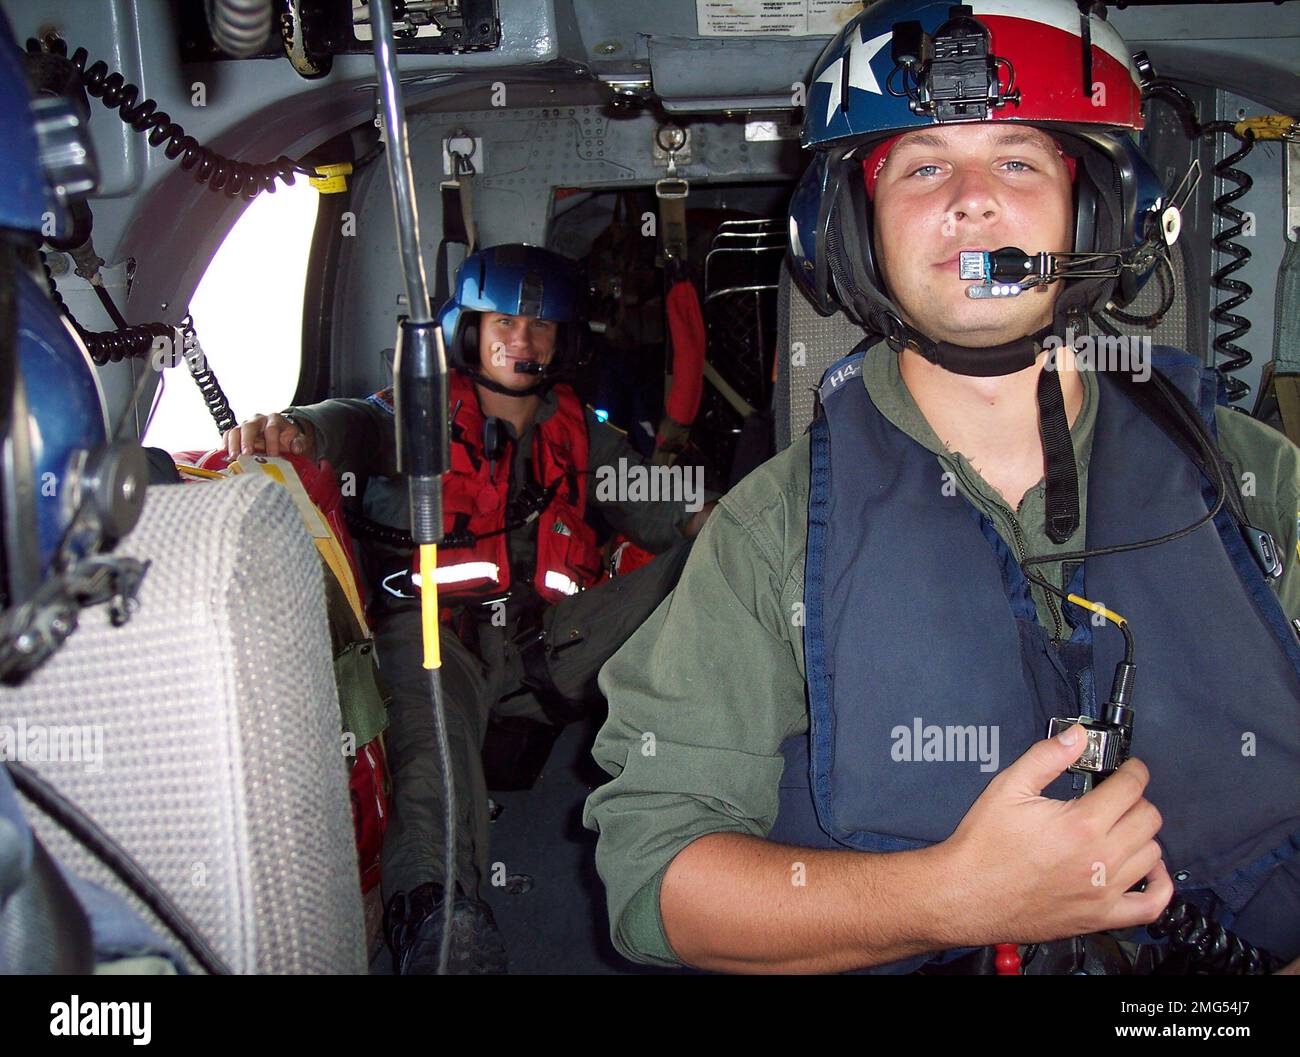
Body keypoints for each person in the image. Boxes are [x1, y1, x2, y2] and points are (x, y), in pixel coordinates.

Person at [583, 0, 1300, 975]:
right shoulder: (771, 531)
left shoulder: (1256, 481)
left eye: (1016, 160)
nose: (971, 200)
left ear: (1092, 211)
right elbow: (652, 880)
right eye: (922, 166)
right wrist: (948, 899)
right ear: (852, 229)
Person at [224, 243, 714, 973]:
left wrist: (715, 523)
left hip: (553, 647)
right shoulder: (407, 415)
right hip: (436, 637)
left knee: (713, 561)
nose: (524, 339)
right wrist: (296, 432)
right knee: (433, 750)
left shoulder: (583, 435)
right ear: (469, 329)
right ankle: (435, 914)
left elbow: (664, 508)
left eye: (542, 326)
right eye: (506, 320)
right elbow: (344, 423)